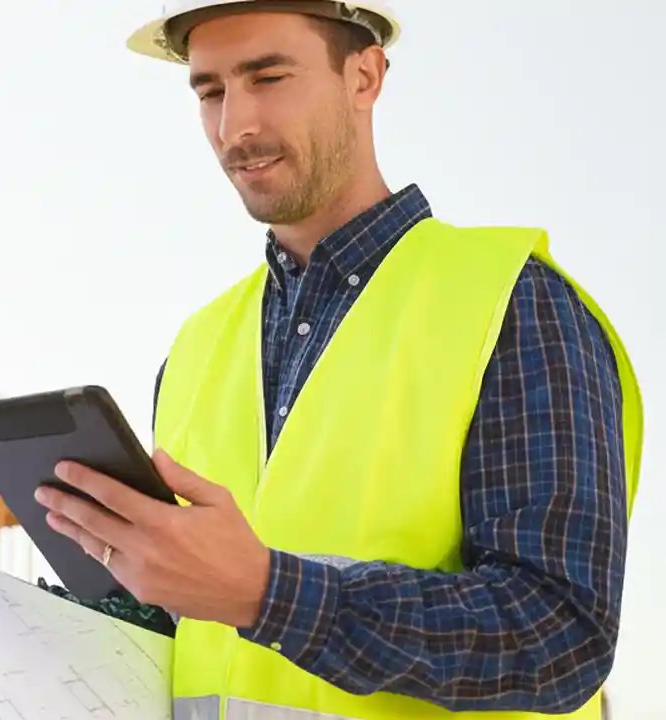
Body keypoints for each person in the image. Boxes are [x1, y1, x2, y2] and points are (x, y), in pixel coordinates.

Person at [32, 1, 643, 718]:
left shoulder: (513, 305)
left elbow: (557, 636)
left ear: (365, 75)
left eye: (268, 77)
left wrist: (267, 593)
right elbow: (191, 634)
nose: (236, 127)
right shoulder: (196, 347)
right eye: (211, 91)